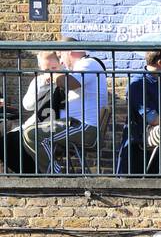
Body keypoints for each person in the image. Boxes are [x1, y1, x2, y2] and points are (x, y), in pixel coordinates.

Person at [22, 45, 106, 173]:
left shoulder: (88, 63)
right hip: (74, 125)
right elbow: (28, 105)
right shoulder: (81, 66)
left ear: (69, 51)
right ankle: (52, 173)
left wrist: (52, 75)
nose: (61, 61)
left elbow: (69, 83)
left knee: (31, 133)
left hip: (83, 128)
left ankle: (55, 175)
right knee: (28, 132)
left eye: (60, 56)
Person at [5, 51, 63, 174]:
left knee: (21, 141)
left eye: (54, 68)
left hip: (53, 126)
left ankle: (38, 172)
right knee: (6, 141)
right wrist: (43, 86)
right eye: (46, 69)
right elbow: (28, 105)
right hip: (34, 123)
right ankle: (30, 173)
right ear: (41, 68)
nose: (50, 72)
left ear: (60, 64)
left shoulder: (67, 80)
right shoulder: (39, 81)